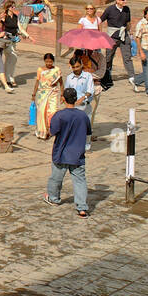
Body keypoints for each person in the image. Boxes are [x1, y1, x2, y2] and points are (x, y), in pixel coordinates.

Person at [44, 87, 92, 217]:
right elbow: (88, 131)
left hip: (61, 153)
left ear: (63, 99)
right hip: (78, 154)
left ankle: (53, 198)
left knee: (56, 178)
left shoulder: (59, 115)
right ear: (76, 99)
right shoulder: (83, 116)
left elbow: (52, 132)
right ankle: (82, 208)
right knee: (80, 180)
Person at [98, 0, 136, 89]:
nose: (125, 1)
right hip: (112, 37)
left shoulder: (127, 9)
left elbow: (128, 22)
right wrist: (98, 32)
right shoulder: (110, 9)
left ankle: (132, 76)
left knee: (127, 57)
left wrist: (130, 33)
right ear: (117, 0)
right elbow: (100, 20)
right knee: (109, 58)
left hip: (124, 36)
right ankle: (106, 76)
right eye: (123, 0)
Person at [64, 55, 99, 151]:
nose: (76, 69)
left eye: (77, 66)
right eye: (74, 67)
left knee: (86, 127)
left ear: (81, 65)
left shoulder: (87, 76)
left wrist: (83, 98)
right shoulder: (69, 78)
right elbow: (67, 90)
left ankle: (86, 145)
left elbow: (90, 91)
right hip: (73, 106)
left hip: (85, 105)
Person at [32, 53, 64, 140]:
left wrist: (62, 94)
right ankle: (42, 131)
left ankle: (51, 129)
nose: (49, 63)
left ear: (53, 61)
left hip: (53, 93)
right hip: (42, 94)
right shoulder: (40, 70)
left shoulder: (57, 70)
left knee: (52, 111)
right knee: (41, 112)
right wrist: (34, 94)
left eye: (50, 62)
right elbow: (37, 82)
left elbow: (61, 82)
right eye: (47, 62)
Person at [2, 0, 31, 87]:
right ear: (8, 7)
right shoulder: (4, 16)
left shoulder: (15, 16)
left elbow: (20, 27)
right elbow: (1, 26)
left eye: (14, 6)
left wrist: (27, 35)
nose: (14, 8)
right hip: (6, 40)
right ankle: (9, 78)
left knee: (11, 60)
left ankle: (9, 77)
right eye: (12, 6)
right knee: (12, 58)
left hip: (14, 40)